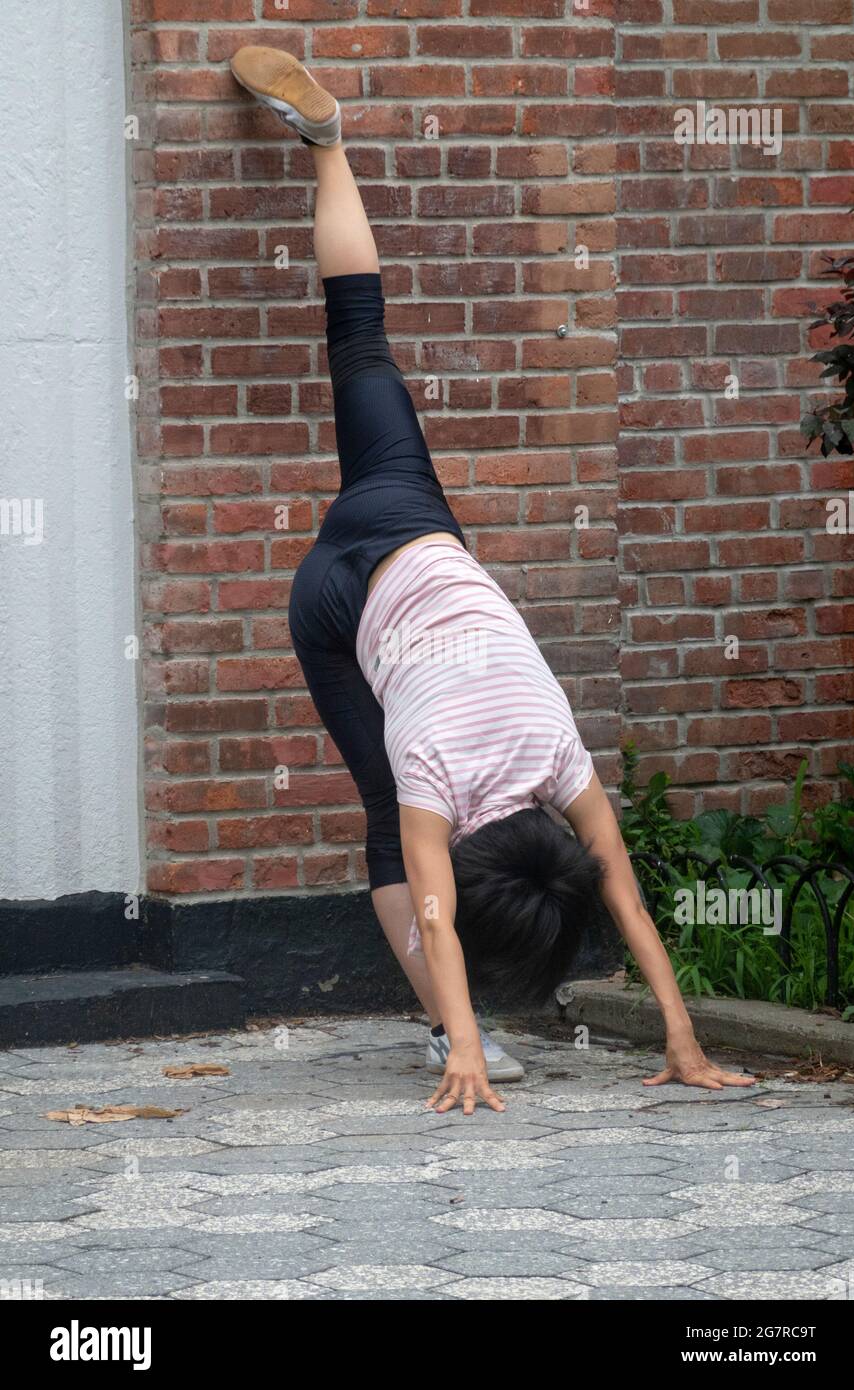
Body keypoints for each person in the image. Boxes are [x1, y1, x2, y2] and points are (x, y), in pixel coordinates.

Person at [228, 47, 756, 1115]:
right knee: (385, 818)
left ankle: (328, 148)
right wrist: (475, 1042)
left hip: (406, 523)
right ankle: (436, 1035)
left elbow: (617, 888)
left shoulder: (559, 750)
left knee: (360, 339)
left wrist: (680, 1032)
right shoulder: (429, 770)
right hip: (332, 610)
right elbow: (435, 909)